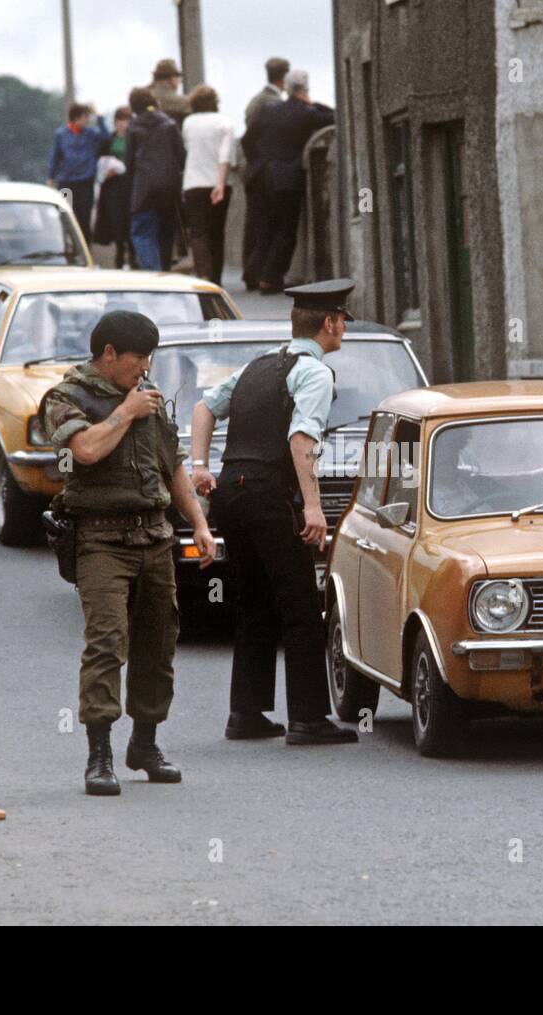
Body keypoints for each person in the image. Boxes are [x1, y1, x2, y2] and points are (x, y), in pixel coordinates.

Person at [40, 311, 216, 795]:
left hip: (154, 536)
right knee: (106, 644)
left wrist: (198, 523)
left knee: (157, 645)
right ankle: (99, 755)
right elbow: (86, 451)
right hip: (101, 539)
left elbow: (172, 465)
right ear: (109, 353)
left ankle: (145, 743)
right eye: (137, 358)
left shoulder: (149, 400)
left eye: (149, 359)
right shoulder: (66, 397)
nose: (144, 367)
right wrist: (125, 413)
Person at [189, 280, 359, 746]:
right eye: (342, 319)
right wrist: (313, 506)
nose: (343, 327)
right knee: (302, 607)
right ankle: (308, 719)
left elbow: (204, 407)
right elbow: (301, 440)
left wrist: (201, 467)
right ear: (328, 323)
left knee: (253, 604)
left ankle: (246, 715)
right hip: (269, 495)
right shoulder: (315, 374)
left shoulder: (258, 365)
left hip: (232, 493)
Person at [242, 69, 334, 293]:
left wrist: (257, 161)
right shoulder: (305, 113)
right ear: (303, 91)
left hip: (260, 174)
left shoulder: (267, 110)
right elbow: (334, 115)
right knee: (285, 230)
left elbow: (246, 140)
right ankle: (270, 278)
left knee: (263, 229)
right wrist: (312, 103)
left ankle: (253, 274)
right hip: (286, 178)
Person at [241, 57, 289, 291]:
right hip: (266, 171)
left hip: (255, 172)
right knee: (270, 227)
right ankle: (260, 274)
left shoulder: (256, 100)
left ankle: (252, 273)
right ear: (285, 77)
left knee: (257, 226)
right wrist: (261, 160)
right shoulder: (270, 102)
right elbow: (250, 139)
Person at [126, 86, 185, 272]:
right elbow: (182, 156)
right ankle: (165, 272)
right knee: (166, 232)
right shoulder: (170, 124)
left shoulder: (134, 127)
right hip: (169, 186)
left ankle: (153, 273)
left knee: (142, 232)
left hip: (144, 188)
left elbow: (129, 163)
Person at [181, 84, 234, 285]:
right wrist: (220, 183)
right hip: (217, 183)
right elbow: (226, 156)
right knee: (216, 233)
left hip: (193, 183)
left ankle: (203, 275)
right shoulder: (224, 123)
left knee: (198, 232)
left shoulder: (188, 123)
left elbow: (188, 148)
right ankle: (216, 279)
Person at [48, 102, 111, 243]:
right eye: (85, 117)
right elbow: (55, 156)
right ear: (76, 118)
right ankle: (66, 248)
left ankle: (85, 251)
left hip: (85, 182)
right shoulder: (61, 134)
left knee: (84, 219)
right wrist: (51, 177)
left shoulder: (90, 133)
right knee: (65, 216)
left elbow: (106, 137)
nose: (88, 120)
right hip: (66, 182)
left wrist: (99, 116)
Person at [93, 106, 135, 268]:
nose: (124, 124)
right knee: (116, 220)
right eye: (121, 121)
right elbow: (101, 160)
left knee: (130, 220)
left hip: (129, 185)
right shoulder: (109, 140)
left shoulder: (134, 139)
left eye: (127, 120)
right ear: (116, 122)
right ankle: (119, 252)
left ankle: (132, 255)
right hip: (112, 186)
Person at [150, 58, 191, 129]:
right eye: (178, 77)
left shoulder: (145, 100)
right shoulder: (184, 102)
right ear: (172, 79)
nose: (179, 82)